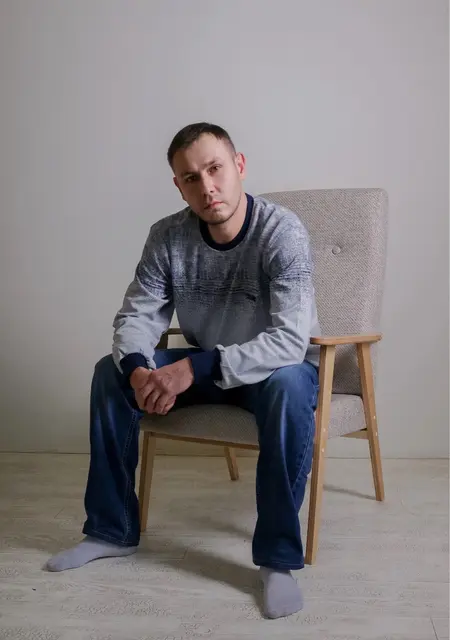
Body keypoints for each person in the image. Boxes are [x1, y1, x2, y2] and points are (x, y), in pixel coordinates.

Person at [46, 122, 321, 619]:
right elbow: (136, 317)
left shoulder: (282, 232)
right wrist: (138, 371)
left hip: (272, 371)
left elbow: (289, 340)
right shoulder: (168, 237)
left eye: (215, 169)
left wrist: (194, 368)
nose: (207, 187)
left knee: (290, 383)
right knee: (109, 373)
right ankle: (111, 531)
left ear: (239, 165)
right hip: (207, 368)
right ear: (179, 185)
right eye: (191, 178)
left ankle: (277, 561)